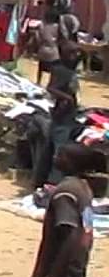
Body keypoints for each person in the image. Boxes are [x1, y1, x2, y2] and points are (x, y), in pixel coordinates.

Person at [31, 143, 100, 277]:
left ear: (71, 163)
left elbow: (71, 236)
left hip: (60, 269)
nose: (55, 157)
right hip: (76, 265)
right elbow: (86, 231)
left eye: (60, 155)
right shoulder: (84, 188)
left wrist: (53, 276)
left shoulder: (66, 192)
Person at [35, 41, 82, 188]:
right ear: (63, 54)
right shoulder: (61, 70)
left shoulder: (69, 69)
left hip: (65, 115)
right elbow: (52, 88)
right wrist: (66, 98)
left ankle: (40, 180)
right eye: (72, 53)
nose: (75, 56)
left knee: (49, 148)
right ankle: (53, 182)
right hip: (63, 117)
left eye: (77, 53)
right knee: (59, 151)